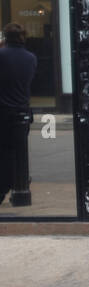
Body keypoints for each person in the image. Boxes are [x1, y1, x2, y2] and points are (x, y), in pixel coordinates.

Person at [0, 23, 37, 206]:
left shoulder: (2, 55)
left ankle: (6, 187)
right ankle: (19, 186)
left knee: (5, 153)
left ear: (5, 37)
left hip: (3, 111)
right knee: (16, 153)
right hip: (22, 110)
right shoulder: (30, 57)